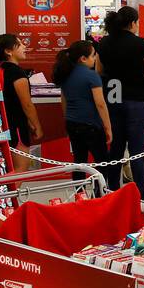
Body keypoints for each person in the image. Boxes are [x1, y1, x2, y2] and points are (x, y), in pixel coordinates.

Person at [97, 7, 144, 202]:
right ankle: (143, 194)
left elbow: (99, 71)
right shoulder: (141, 44)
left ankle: (113, 191)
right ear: (133, 23)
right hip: (136, 101)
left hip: (113, 100)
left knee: (115, 148)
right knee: (136, 150)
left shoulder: (105, 43)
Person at [53, 41, 112, 184]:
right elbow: (100, 103)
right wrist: (108, 127)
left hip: (72, 123)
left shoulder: (65, 74)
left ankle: (80, 193)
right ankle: (100, 195)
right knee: (101, 162)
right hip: (91, 124)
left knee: (79, 161)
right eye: (93, 56)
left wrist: (68, 117)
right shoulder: (92, 76)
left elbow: (64, 101)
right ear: (83, 58)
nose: (95, 59)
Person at [0, 35, 43, 172]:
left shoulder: (0, 68)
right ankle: (8, 194)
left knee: (8, 168)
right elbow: (27, 104)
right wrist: (37, 126)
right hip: (16, 127)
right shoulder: (17, 73)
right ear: (8, 51)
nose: (24, 47)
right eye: (20, 44)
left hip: (3, 125)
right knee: (20, 168)